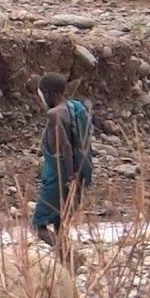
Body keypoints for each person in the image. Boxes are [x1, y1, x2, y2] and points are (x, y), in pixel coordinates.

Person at [32, 72, 95, 247]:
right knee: (60, 223)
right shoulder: (75, 108)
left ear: (48, 93)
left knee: (39, 225)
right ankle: (68, 266)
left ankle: (68, 253)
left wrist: (69, 178)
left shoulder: (55, 114)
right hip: (77, 169)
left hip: (60, 175)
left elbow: (66, 146)